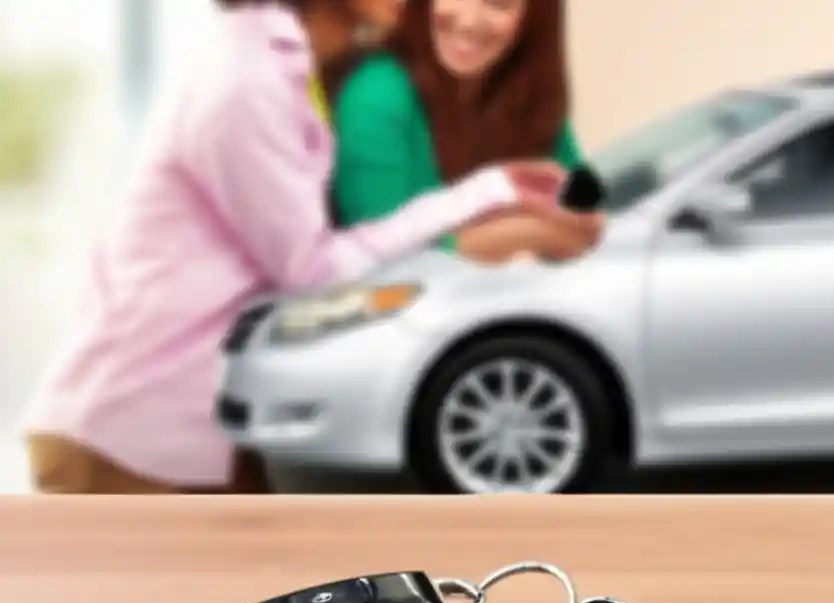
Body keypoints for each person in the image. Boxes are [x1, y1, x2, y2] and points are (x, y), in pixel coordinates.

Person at [22, 0, 570, 495]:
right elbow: (310, 271)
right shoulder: (245, 79)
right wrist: (481, 197)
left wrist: (489, 191)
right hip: (129, 439)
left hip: (199, 434)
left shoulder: (286, 67)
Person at [329, 0, 603, 263]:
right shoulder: (376, 95)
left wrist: (499, 240)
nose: (469, 21)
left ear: (534, 17)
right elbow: (384, 261)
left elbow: (587, 221)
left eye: (498, 3)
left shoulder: (530, 96)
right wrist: (536, 232)